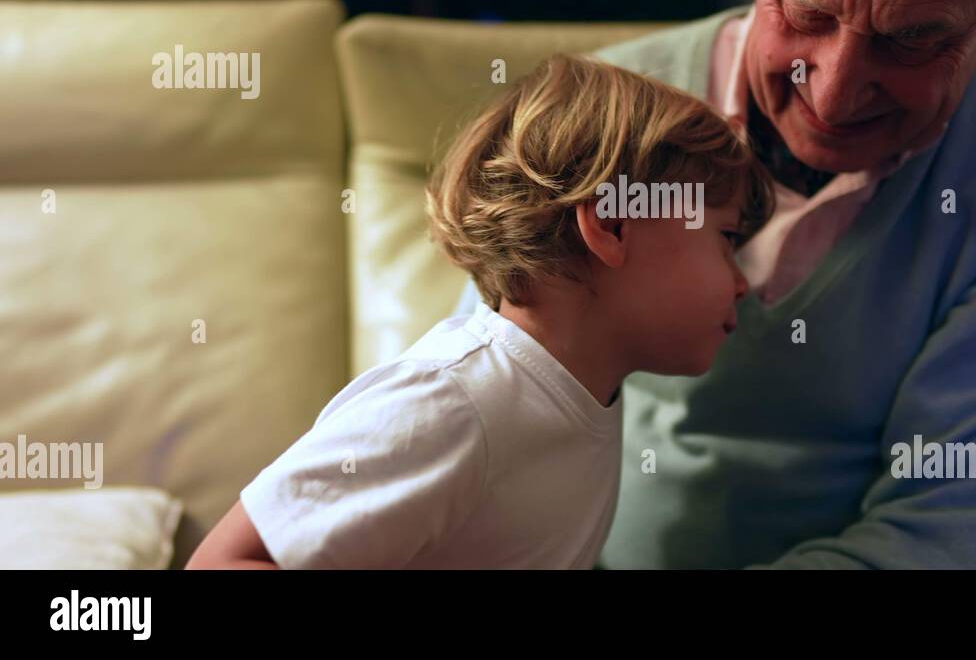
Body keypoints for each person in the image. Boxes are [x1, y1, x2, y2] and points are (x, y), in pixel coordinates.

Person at [456, 0, 976, 569]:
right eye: (804, 12)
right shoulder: (594, 127)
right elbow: (479, 416)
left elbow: (961, 521)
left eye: (913, 41)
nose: (833, 94)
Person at [186, 54, 773, 569]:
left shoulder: (581, 393)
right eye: (725, 238)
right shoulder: (456, 403)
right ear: (613, 224)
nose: (742, 283)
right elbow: (226, 561)